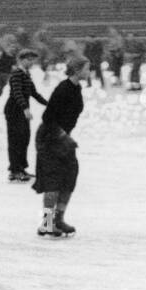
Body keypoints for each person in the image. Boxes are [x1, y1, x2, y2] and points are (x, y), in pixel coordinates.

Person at [33, 58, 88, 238]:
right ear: (77, 70)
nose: (89, 72)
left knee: (70, 175)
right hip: (49, 138)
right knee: (53, 180)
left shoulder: (75, 88)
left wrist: (66, 137)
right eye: (87, 69)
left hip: (62, 138)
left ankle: (58, 219)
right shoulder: (63, 89)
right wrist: (63, 136)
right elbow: (48, 117)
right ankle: (47, 223)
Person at [3, 49, 47, 182]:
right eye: (28, 59)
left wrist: (49, 104)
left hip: (22, 110)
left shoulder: (26, 74)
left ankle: (21, 168)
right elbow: (17, 93)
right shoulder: (17, 73)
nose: (31, 62)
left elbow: (34, 93)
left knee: (24, 139)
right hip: (14, 110)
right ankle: (15, 171)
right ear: (21, 60)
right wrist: (25, 108)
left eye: (32, 59)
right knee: (16, 140)